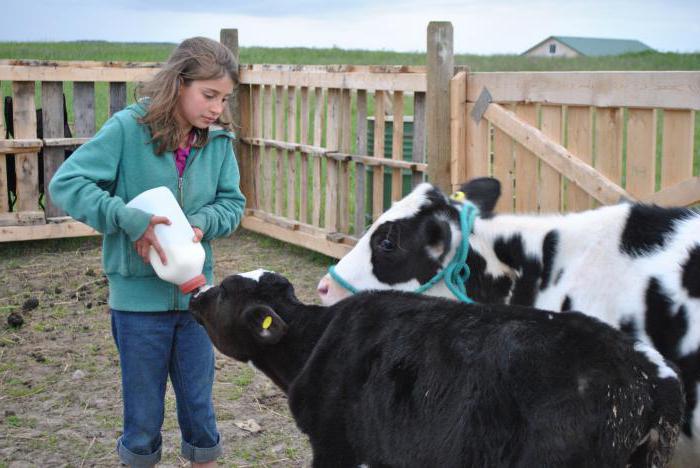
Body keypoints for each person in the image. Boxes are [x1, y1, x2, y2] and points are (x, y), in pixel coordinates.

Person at [49, 36, 246, 467]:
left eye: (224, 98)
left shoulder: (217, 141)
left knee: (200, 407)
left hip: (199, 300)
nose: (217, 108)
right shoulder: (126, 129)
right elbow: (67, 184)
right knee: (142, 417)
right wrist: (127, 218)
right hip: (137, 305)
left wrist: (203, 224)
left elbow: (233, 204)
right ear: (178, 83)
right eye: (208, 95)